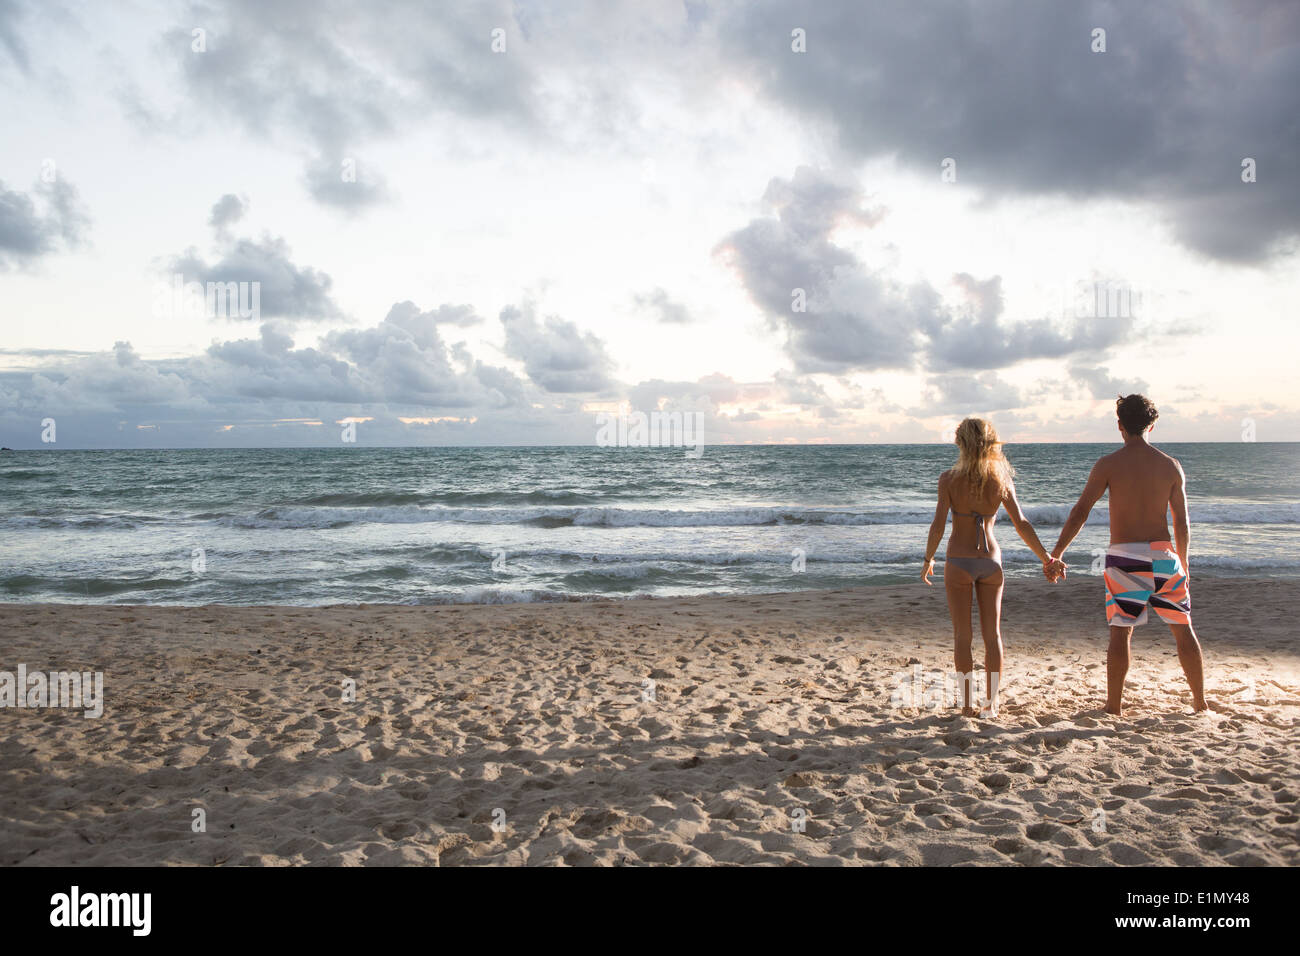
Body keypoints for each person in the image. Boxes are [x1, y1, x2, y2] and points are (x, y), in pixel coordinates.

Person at [1048, 394, 1207, 715]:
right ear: (1153, 425)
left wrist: (1056, 554)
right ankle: (1200, 701)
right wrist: (1184, 562)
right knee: (1183, 628)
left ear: (1119, 425)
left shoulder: (1108, 464)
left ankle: (1114, 705)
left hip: (1125, 557)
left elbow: (1080, 512)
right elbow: (1181, 522)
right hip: (1164, 556)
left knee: (1121, 633)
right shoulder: (1170, 466)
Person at [923, 418, 1065, 717]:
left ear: (960, 444)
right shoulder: (1001, 480)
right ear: (991, 445)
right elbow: (1022, 525)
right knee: (993, 636)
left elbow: (938, 525)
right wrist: (1047, 559)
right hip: (991, 562)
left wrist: (928, 559)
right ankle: (991, 704)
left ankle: (965, 706)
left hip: (958, 561)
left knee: (963, 636)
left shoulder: (948, 479)